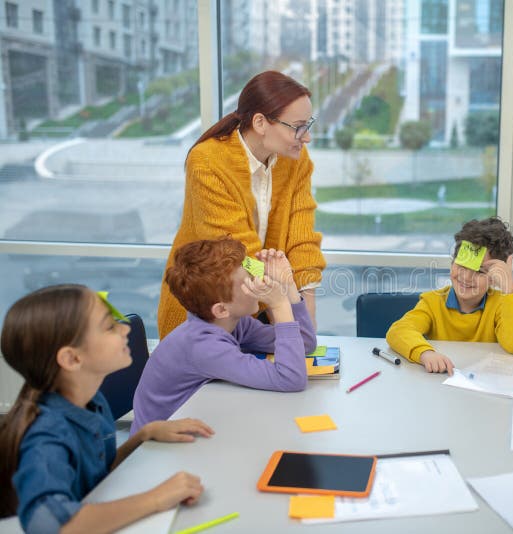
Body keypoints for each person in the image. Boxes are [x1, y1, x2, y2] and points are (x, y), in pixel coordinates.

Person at [0, 285, 212, 532]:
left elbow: (97, 474)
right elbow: (50, 525)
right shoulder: (47, 437)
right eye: (110, 326)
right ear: (72, 359)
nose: (125, 328)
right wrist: (155, 499)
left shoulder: (92, 401)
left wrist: (144, 434)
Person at [158, 70, 325, 338]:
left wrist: (307, 326)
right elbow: (240, 254)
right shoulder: (207, 162)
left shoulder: (295, 160)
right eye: (298, 127)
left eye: (309, 125)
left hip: (265, 313)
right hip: (209, 317)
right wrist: (287, 314)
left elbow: (302, 239)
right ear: (260, 122)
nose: (306, 138)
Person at [132, 237, 315, 432]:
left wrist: (288, 286)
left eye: (252, 271)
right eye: (249, 281)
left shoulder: (230, 321)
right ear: (220, 310)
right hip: (154, 450)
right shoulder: (205, 347)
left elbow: (304, 343)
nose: (259, 280)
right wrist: (279, 305)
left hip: (195, 424)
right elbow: (291, 379)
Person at [386, 217, 513, 374]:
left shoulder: (501, 304)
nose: (467, 277)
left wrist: (509, 287)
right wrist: (425, 353)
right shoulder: (432, 302)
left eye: (480, 271)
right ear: (452, 263)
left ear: (495, 278)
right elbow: (398, 331)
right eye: (462, 265)